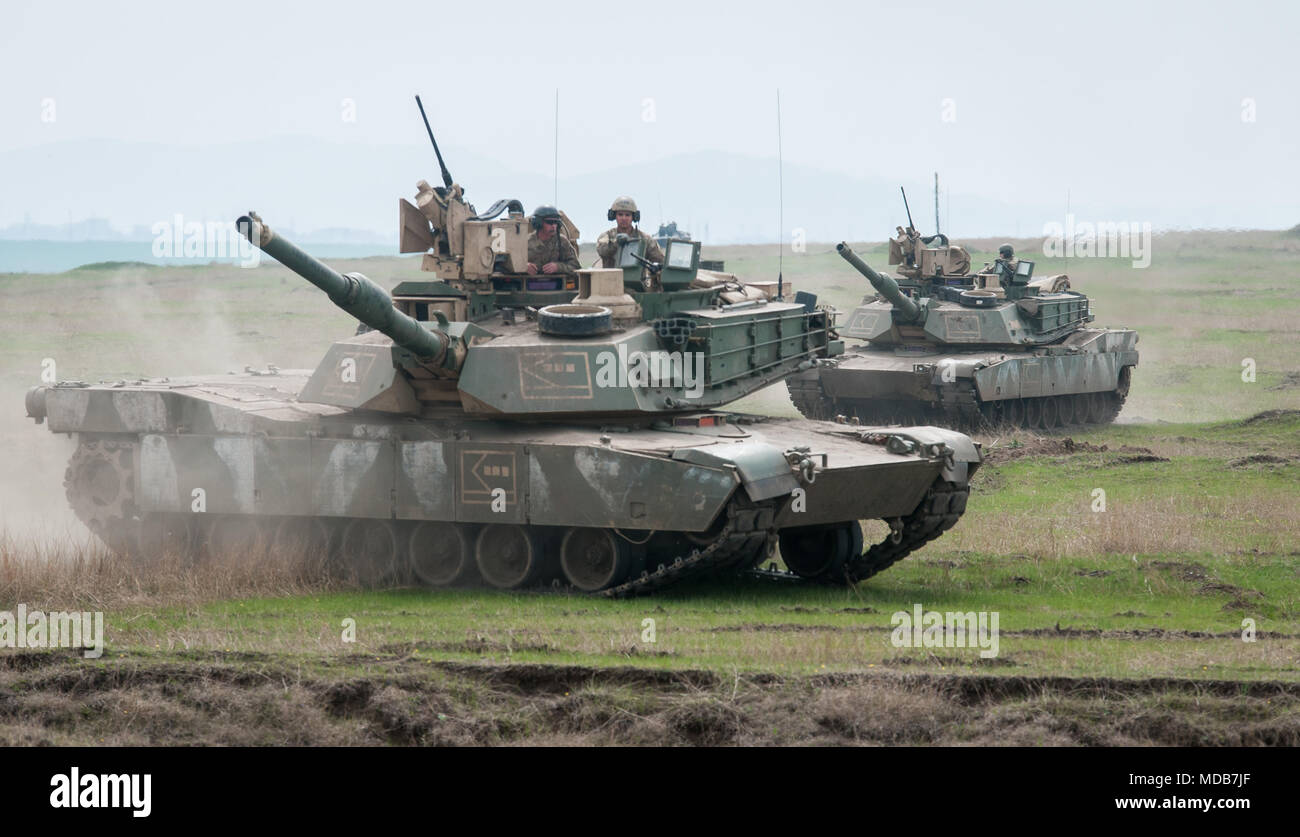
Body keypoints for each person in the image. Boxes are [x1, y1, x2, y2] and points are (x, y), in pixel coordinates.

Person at [596, 196, 663, 270]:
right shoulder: (607, 236)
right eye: (620, 214)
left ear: (634, 217)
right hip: (612, 276)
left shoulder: (644, 239)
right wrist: (616, 243)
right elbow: (602, 252)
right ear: (614, 216)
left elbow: (659, 260)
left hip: (636, 276)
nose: (624, 218)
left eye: (627, 215)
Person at [526, 205, 580, 276]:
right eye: (550, 222)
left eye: (556, 222)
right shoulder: (526, 242)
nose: (554, 226)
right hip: (528, 281)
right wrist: (524, 266)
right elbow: (512, 264)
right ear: (539, 223)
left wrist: (558, 267)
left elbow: (576, 265)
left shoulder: (562, 241)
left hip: (558, 282)